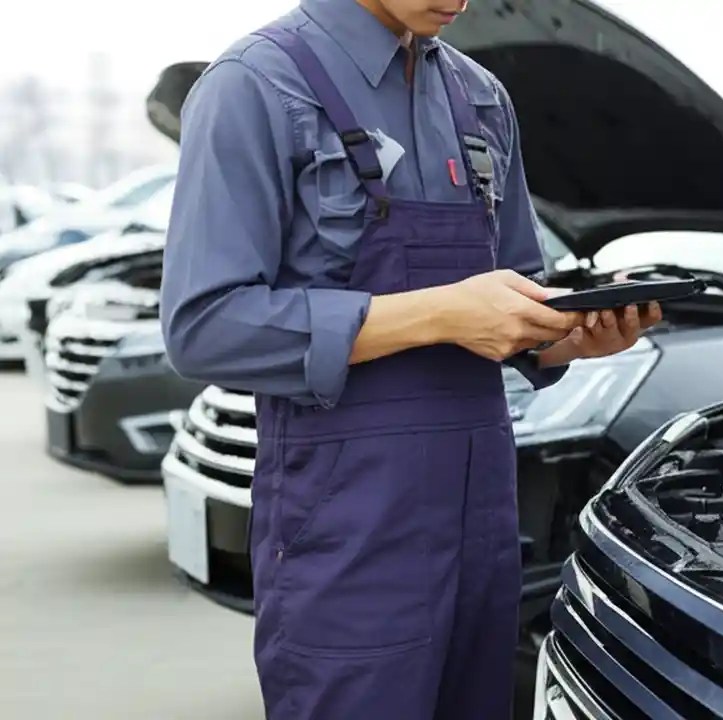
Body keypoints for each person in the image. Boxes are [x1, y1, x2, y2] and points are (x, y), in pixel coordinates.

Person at [159, 1, 661, 717]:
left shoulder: (481, 98)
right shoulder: (257, 85)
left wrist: (577, 334)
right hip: (347, 526)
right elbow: (202, 325)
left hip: (483, 520)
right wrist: (439, 314)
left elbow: (519, 296)